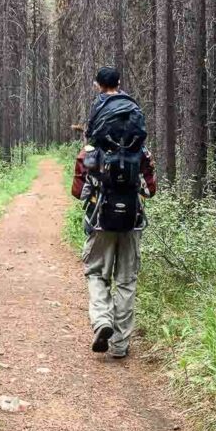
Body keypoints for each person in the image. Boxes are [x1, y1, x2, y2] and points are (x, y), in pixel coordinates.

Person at [71, 67, 156, 358]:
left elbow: (76, 188)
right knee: (127, 281)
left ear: (98, 86)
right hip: (132, 218)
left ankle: (102, 321)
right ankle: (120, 345)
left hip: (101, 217)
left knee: (96, 273)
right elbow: (152, 187)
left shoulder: (92, 147)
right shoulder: (140, 148)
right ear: (120, 83)